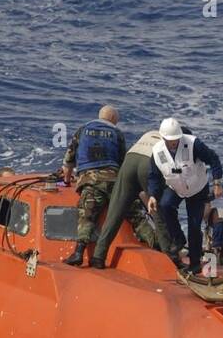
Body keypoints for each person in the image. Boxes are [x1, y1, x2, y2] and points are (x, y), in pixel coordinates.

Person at [60, 106, 166, 266]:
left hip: (92, 181)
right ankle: (158, 247)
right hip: (117, 182)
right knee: (136, 217)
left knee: (87, 215)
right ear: (114, 120)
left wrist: (67, 181)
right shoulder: (117, 134)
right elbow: (125, 161)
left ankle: (78, 253)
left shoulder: (83, 130)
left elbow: (68, 161)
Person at [145, 117, 223, 275]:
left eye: (176, 139)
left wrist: (217, 182)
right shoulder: (157, 152)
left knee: (194, 225)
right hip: (176, 187)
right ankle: (179, 239)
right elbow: (153, 176)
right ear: (163, 138)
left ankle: (195, 263)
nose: (173, 142)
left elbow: (214, 159)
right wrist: (153, 196)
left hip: (197, 189)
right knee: (165, 205)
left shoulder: (194, 144)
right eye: (170, 140)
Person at [88, 127, 175, 269]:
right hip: (150, 164)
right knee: (159, 213)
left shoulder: (149, 133)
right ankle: (170, 257)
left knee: (114, 214)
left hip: (130, 161)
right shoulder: (174, 144)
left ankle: (98, 256)